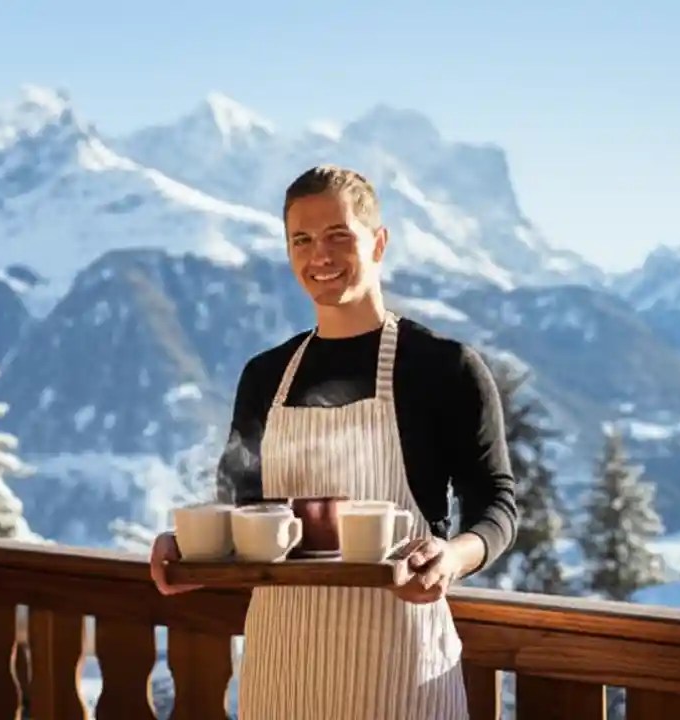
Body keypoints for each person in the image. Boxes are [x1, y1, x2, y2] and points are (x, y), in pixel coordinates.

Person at [150, 164, 518, 719]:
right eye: (302, 239)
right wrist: (185, 547)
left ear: (379, 242)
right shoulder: (265, 375)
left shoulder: (446, 368)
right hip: (282, 663)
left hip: (400, 664)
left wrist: (451, 557)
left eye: (338, 235)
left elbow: (497, 504)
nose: (319, 255)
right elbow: (237, 508)